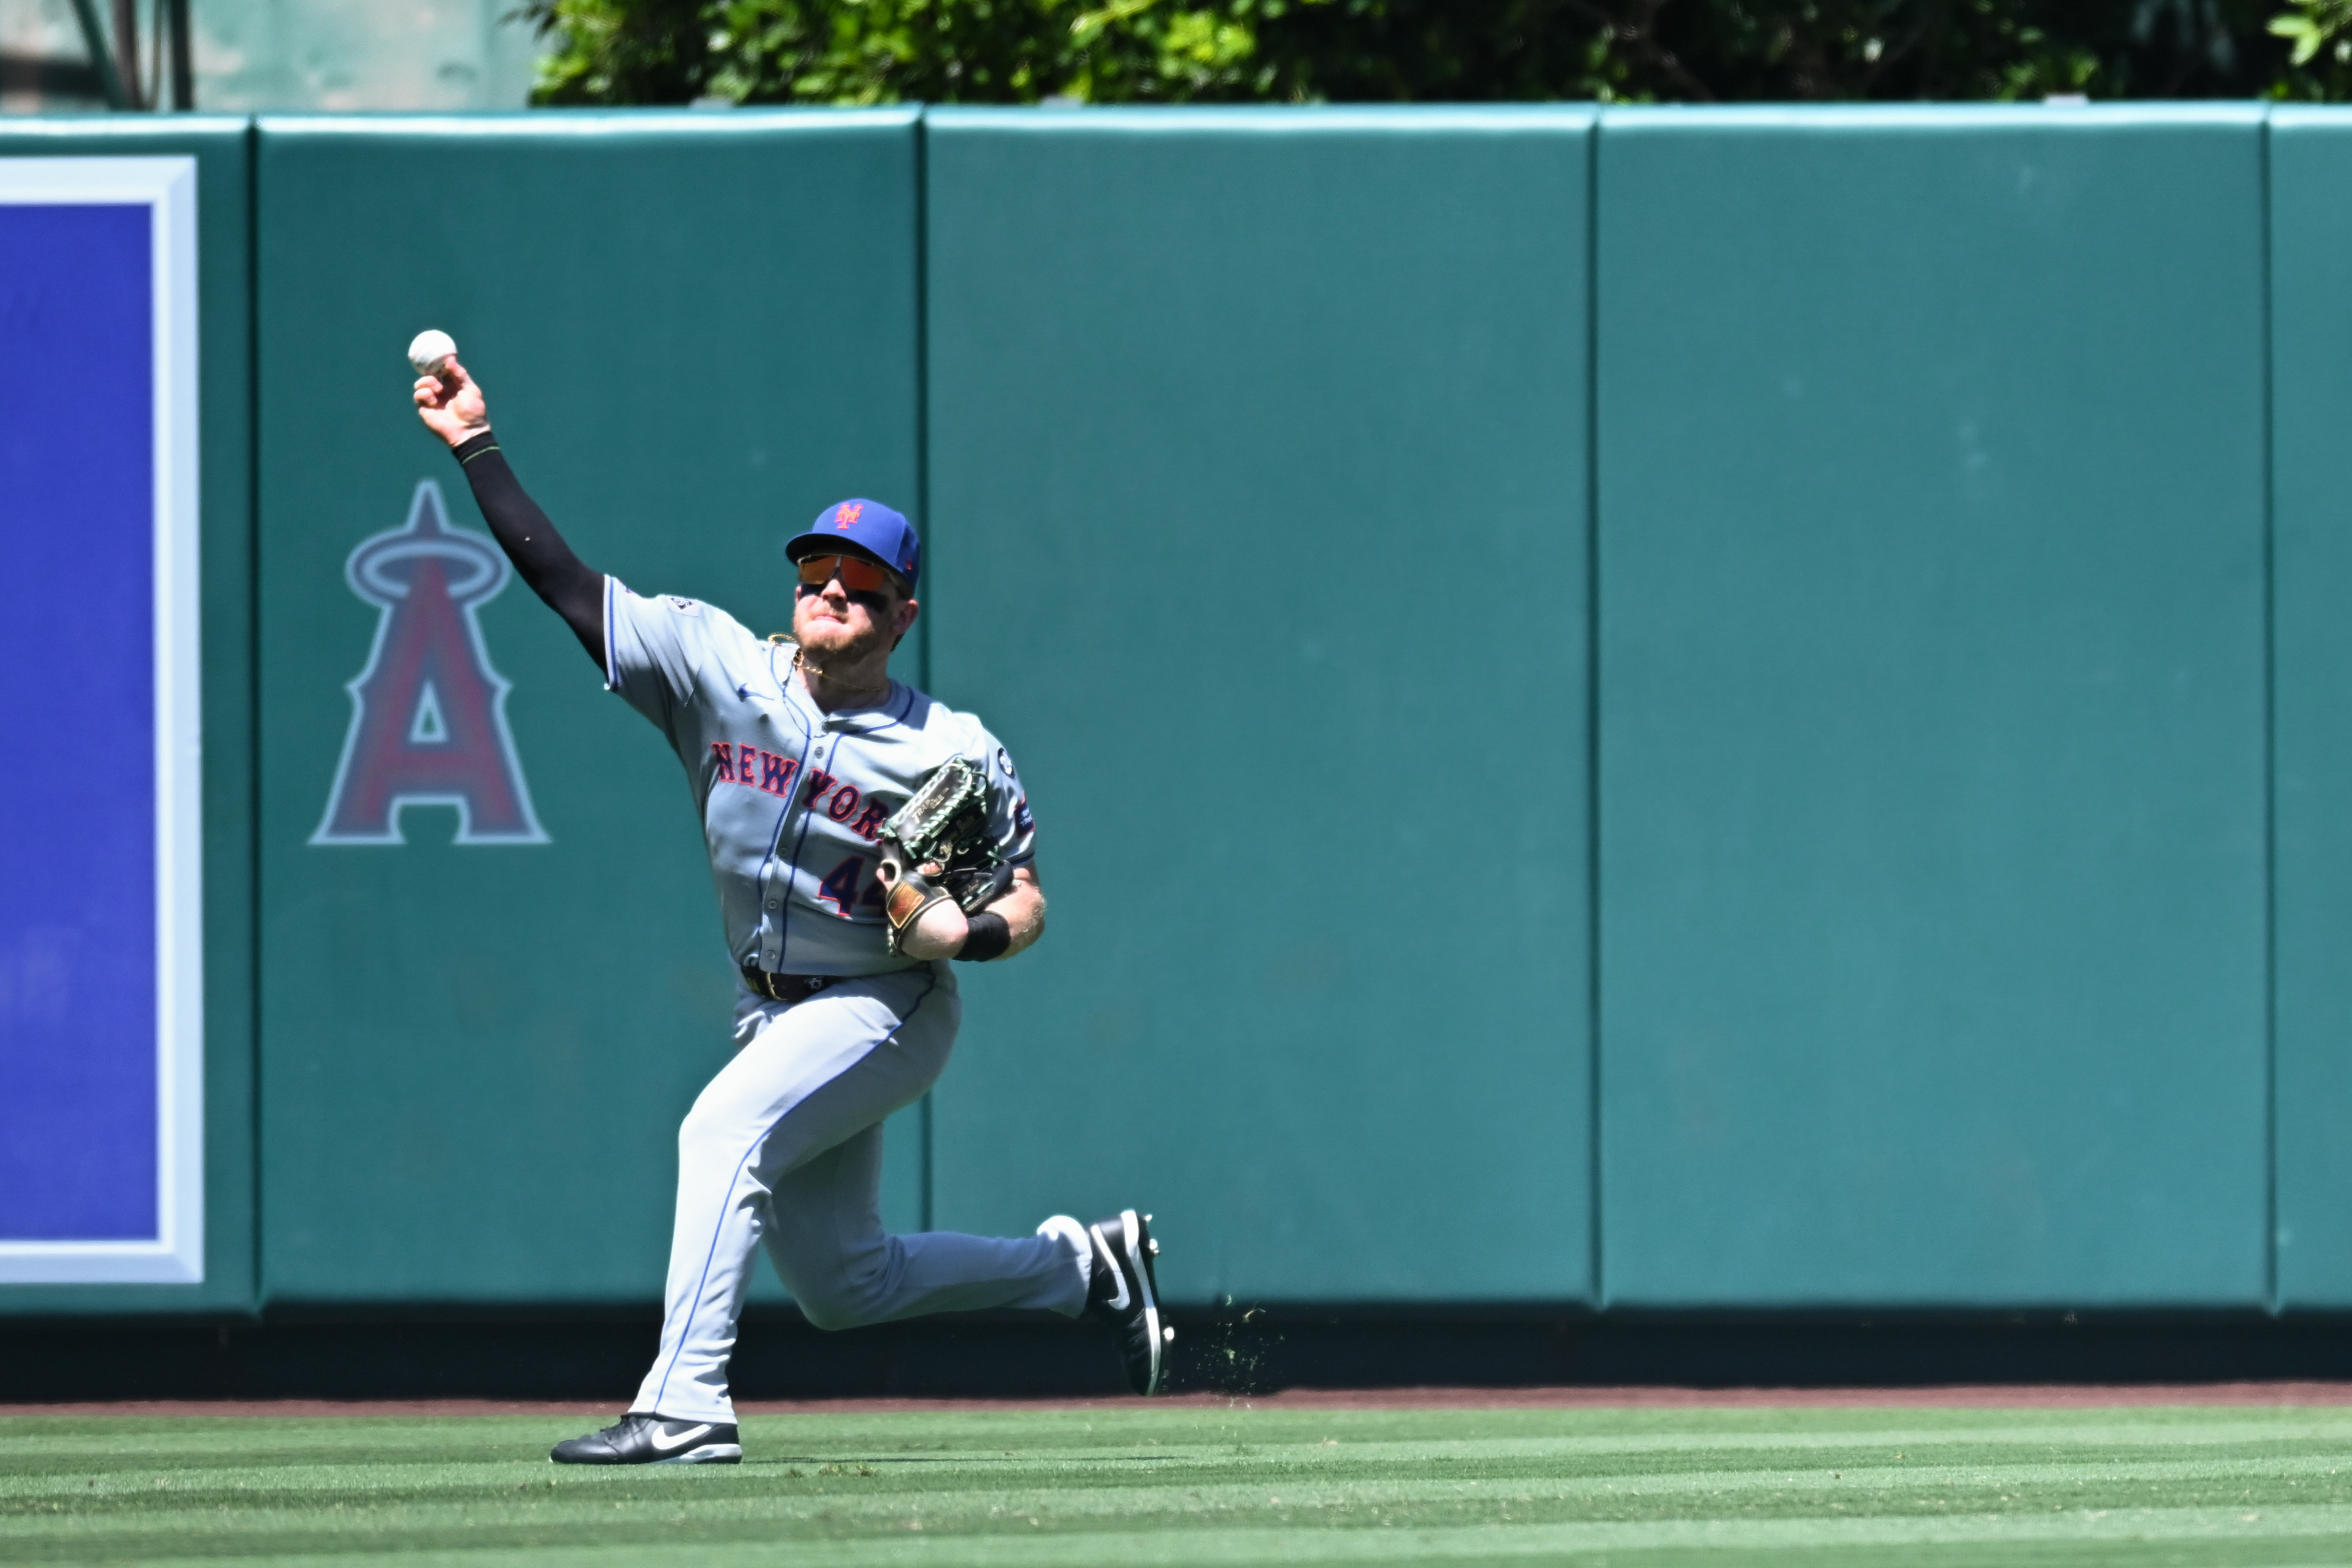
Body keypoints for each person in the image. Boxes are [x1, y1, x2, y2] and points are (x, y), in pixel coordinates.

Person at [412, 355, 1170, 1466]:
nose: (831, 592)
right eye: (818, 570)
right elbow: (567, 584)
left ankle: (685, 1405)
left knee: (719, 1130)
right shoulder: (716, 666)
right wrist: (477, 446)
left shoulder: (951, 747)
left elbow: (1028, 898)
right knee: (844, 1286)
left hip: (886, 999)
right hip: (768, 1005)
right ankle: (1083, 1269)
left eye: (862, 584)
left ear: (902, 614)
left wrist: (975, 934)